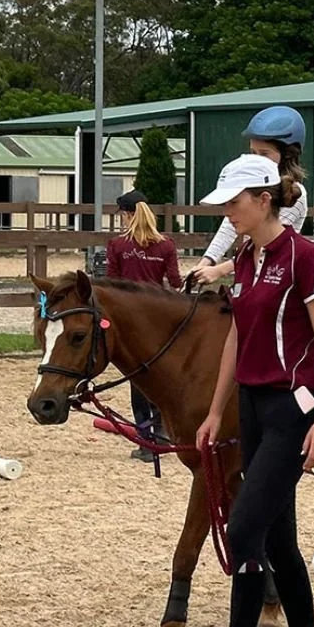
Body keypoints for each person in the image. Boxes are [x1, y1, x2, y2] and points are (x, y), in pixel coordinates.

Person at [188, 154, 314, 627]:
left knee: (245, 528)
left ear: (262, 199)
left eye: (233, 202)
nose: (227, 213)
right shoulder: (246, 260)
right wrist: (214, 409)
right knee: (277, 537)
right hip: (252, 408)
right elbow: (235, 339)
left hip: (291, 410)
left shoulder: (304, 257)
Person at [191, 106, 308, 287]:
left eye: (264, 154)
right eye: (253, 153)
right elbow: (227, 229)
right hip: (249, 271)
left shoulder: (294, 195)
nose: (257, 159)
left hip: (276, 277)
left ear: (287, 154)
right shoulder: (250, 185)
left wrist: (218, 270)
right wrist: (204, 263)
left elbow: (268, 247)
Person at [105, 189, 183, 463]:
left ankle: (145, 440)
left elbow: (112, 283)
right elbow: (174, 282)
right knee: (160, 374)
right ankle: (162, 432)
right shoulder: (166, 245)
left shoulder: (117, 245)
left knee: (137, 378)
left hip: (130, 319)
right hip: (159, 318)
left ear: (127, 215)